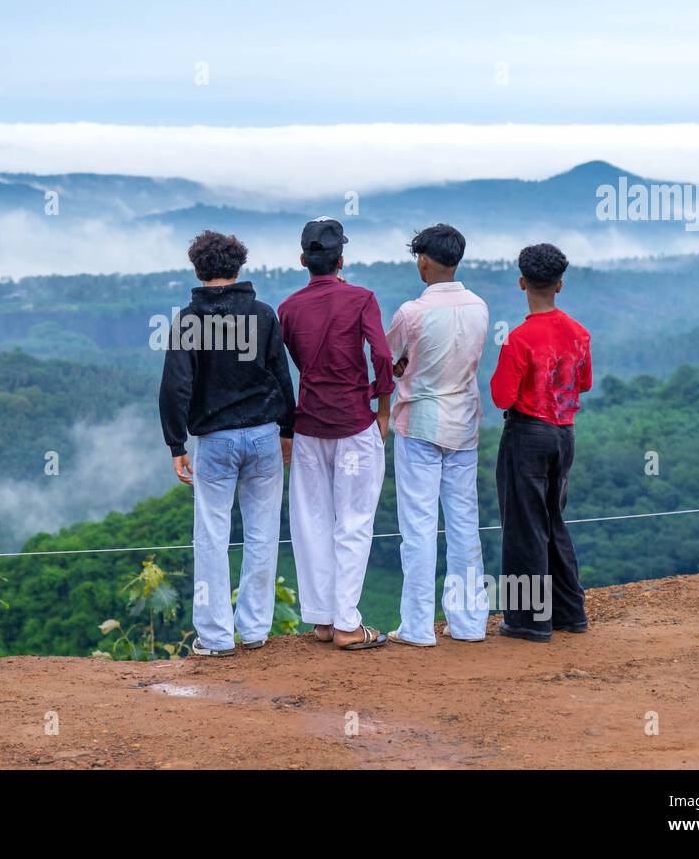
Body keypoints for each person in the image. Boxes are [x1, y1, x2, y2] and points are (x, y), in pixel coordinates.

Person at [158, 230, 296, 657]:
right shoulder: (263, 315)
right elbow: (280, 376)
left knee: (212, 536)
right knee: (262, 532)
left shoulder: (188, 320)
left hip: (214, 440)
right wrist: (288, 429)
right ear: (239, 268)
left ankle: (215, 638)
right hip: (262, 435)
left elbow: (176, 386)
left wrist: (176, 443)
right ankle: (254, 630)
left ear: (198, 271)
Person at [278, 218, 394, 650]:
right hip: (354, 425)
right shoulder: (361, 298)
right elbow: (381, 355)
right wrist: (382, 410)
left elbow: (288, 366)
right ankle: (348, 624)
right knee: (354, 522)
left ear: (303, 260)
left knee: (310, 523)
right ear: (341, 259)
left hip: (309, 426)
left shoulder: (288, 309)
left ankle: (324, 621)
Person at [385, 224, 490, 647]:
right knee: (465, 524)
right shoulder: (479, 307)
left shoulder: (411, 312)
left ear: (424, 260)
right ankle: (468, 624)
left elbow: (388, 360)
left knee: (419, 526)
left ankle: (416, 625)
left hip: (420, 423)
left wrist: (401, 368)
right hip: (463, 423)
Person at [489, 243, 592, 643]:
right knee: (554, 521)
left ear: (522, 283)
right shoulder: (578, 333)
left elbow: (502, 396)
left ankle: (529, 620)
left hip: (527, 434)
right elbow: (583, 383)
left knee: (523, 527)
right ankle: (570, 612)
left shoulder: (519, 339)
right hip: (564, 434)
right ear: (560, 285)